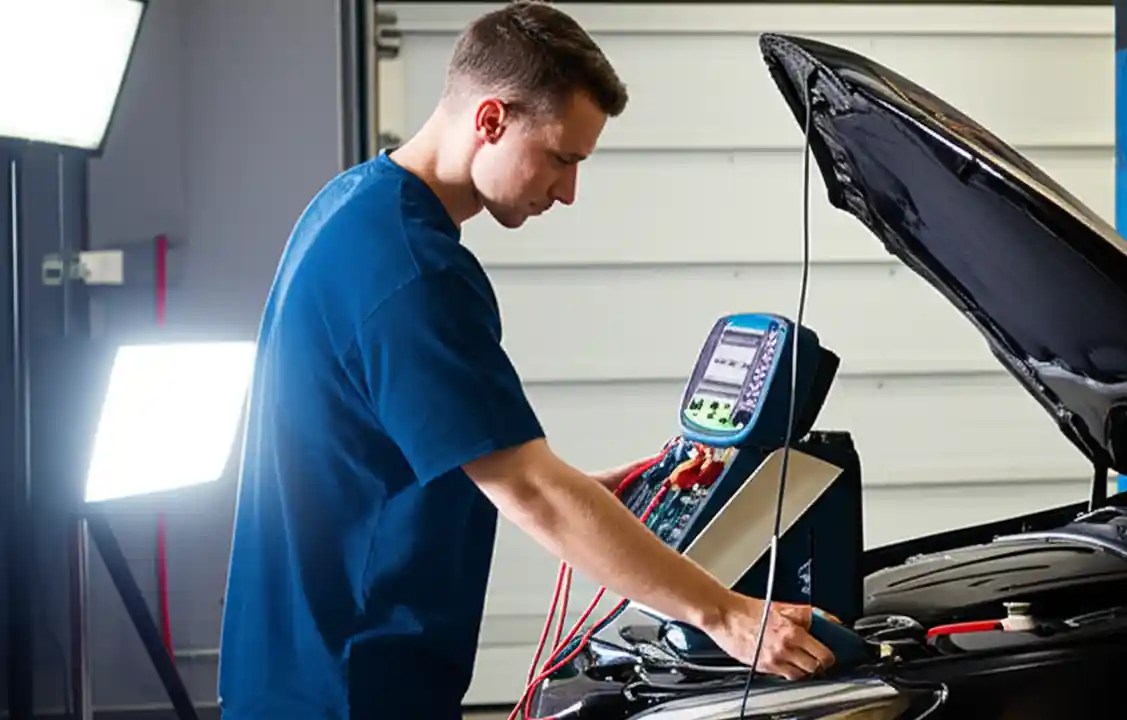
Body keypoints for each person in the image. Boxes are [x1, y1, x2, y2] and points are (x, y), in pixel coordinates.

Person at [217, 2, 835, 718]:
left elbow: (432, 455)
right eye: (562, 158)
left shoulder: (354, 206)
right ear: (490, 120)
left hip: (299, 669)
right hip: (348, 685)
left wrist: (597, 500)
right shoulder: (413, 271)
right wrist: (725, 615)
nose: (568, 192)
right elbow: (529, 489)